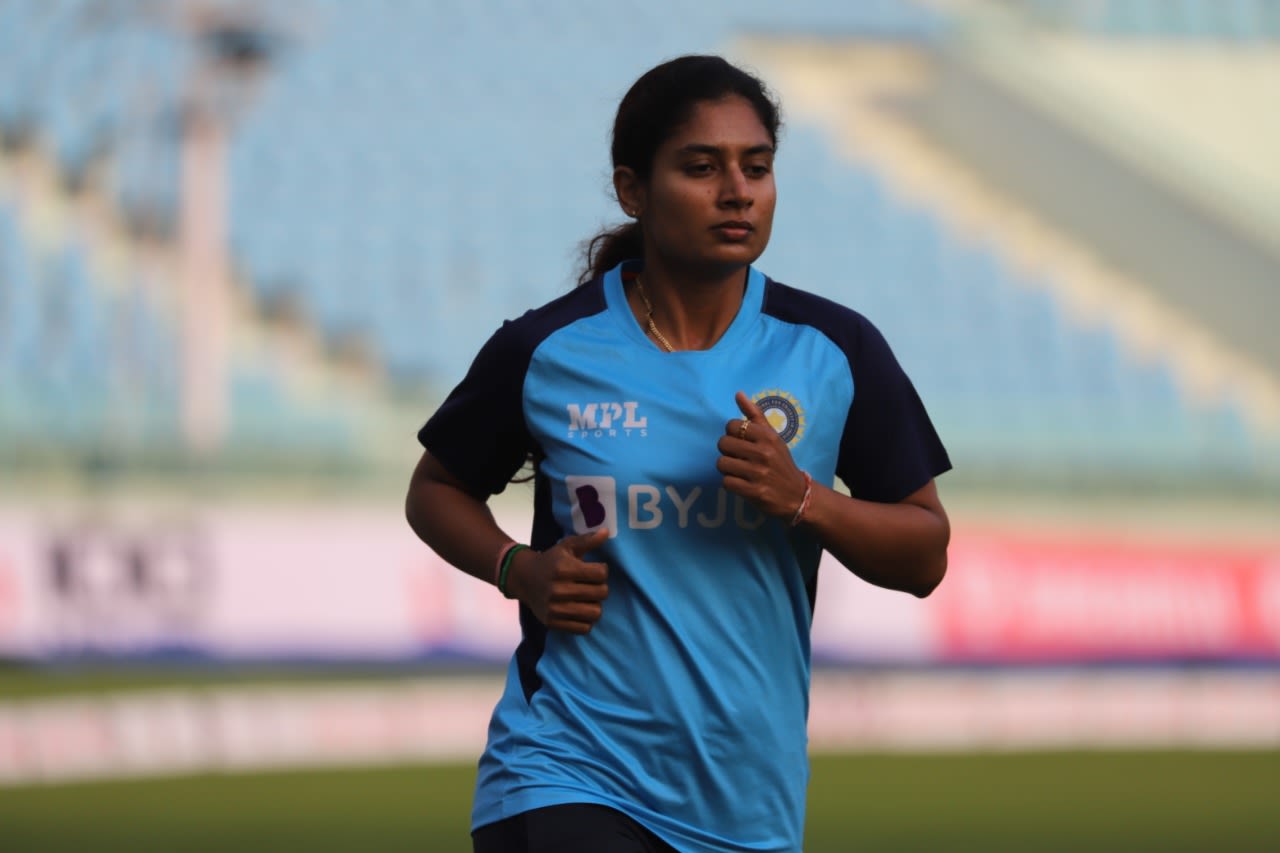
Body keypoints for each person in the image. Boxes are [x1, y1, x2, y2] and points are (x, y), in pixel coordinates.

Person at [405, 54, 951, 853]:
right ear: (633, 189)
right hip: (565, 769)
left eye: (756, 167)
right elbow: (435, 489)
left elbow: (926, 554)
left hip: (747, 809)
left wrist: (805, 498)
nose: (737, 191)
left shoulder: (834, 350)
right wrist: (517, 570)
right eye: (702, 167)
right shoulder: (549, 348)